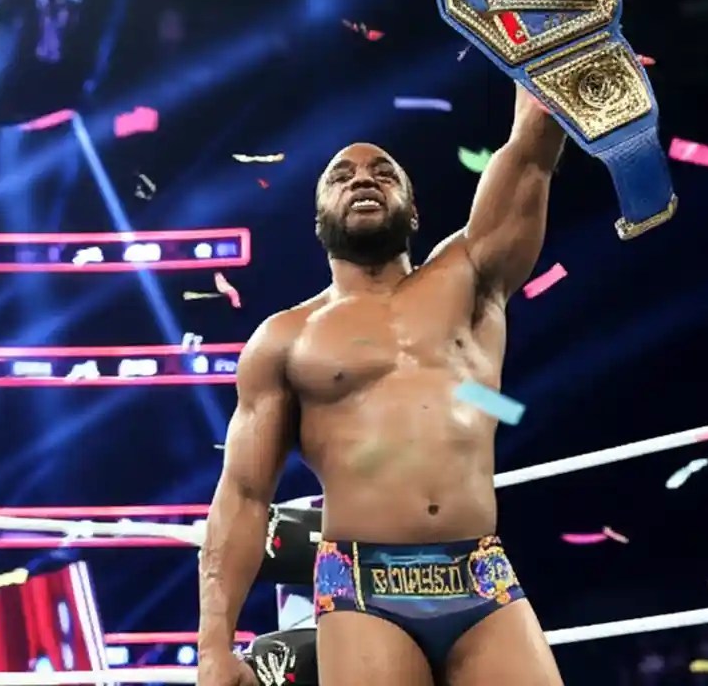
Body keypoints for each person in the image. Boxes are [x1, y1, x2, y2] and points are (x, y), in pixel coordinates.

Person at [197, 86, 566, 686]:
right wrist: (214, 646)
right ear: (320, 221)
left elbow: (529, 152)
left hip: (479, 571)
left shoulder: (471, 275)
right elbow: (241, 495)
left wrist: (547, 70)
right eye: (341, 175)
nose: (363, 179)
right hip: (363, 585)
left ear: (413, 211)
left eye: (383, 172)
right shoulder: (285, 339)